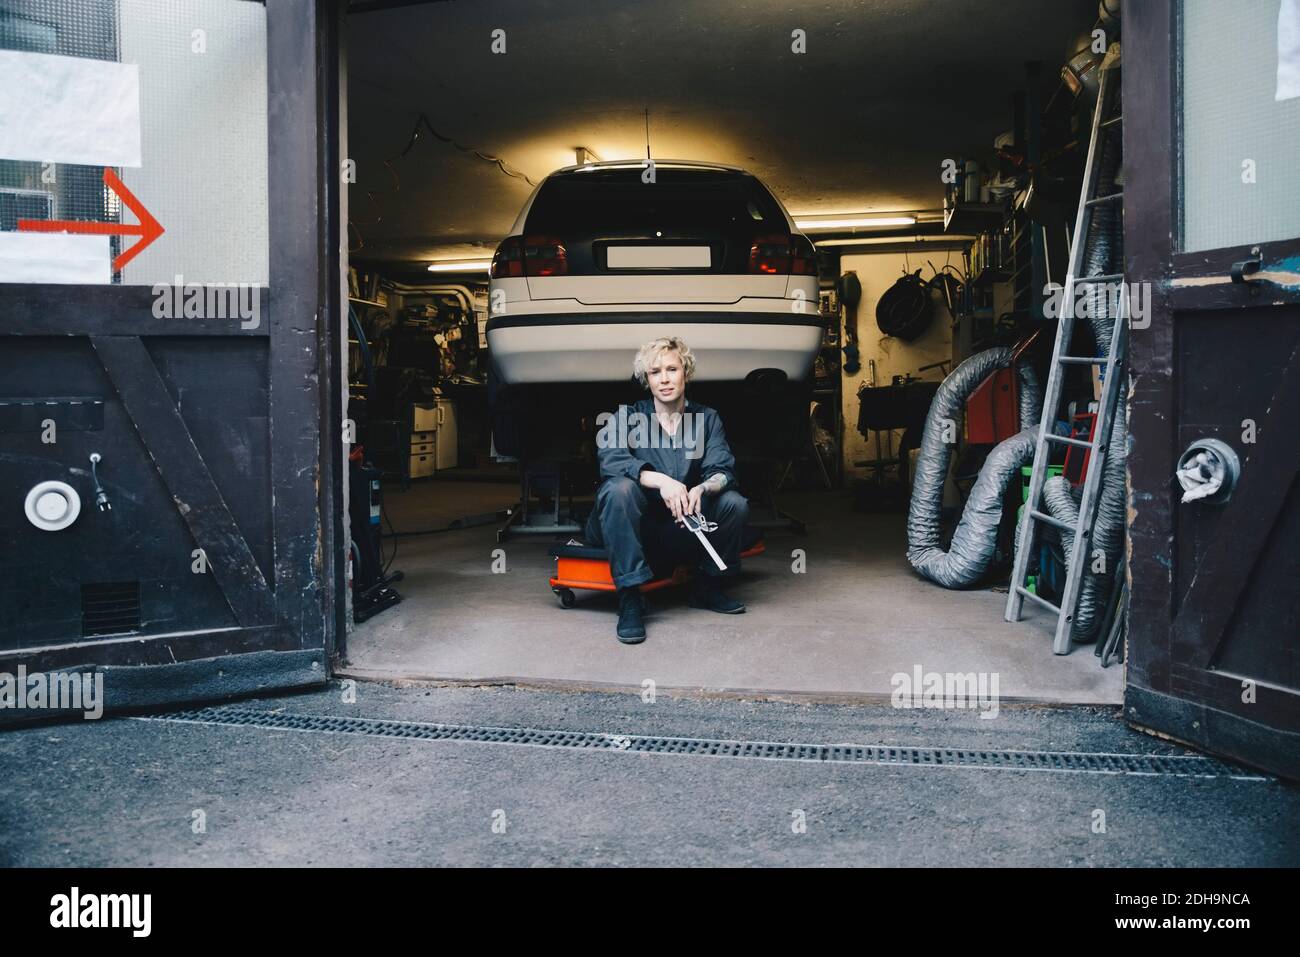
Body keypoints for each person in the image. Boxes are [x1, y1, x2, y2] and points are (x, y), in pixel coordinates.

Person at [585, 336, 751, 644]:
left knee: (734, 503)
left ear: (685, 372)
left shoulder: (707, 418)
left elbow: (723, 470)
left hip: (679, 527)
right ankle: (630, 597)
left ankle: (708, 587)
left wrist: (702, 488)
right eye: (655, 372)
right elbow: (610, 459)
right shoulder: (627, 416)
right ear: (646, 380)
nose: (664, 379)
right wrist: (661, 481)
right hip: (635, 527)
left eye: (671, 369)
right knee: (618, 489)